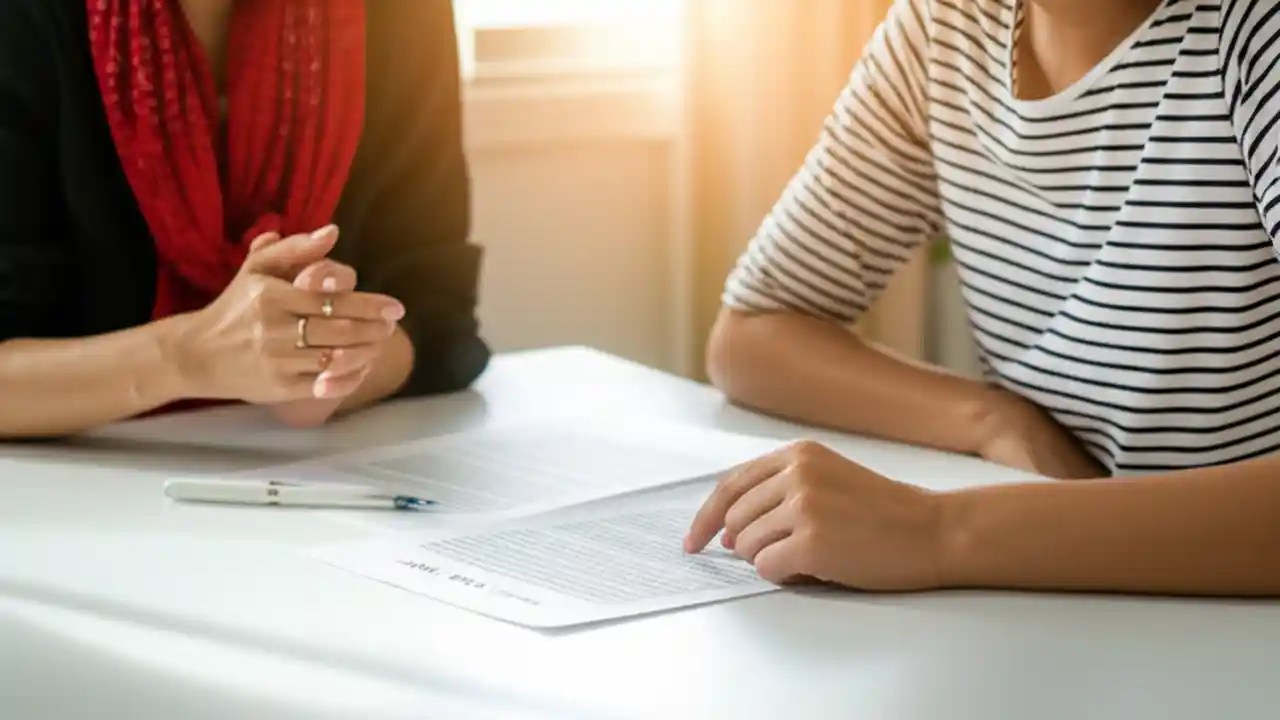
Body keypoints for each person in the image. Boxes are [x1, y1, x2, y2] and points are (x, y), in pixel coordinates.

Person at [686, 0, 1280, 596]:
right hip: (1070, 601)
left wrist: (934, 532)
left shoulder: (1255, 33)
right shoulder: (946, 27)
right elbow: (756, 331)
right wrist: (993, 420)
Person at [0, 0, 488, 438]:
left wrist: (330, 368)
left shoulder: (401, 13)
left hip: (309, 477)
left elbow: (436, 313)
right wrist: (186, 357)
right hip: (71, 501)